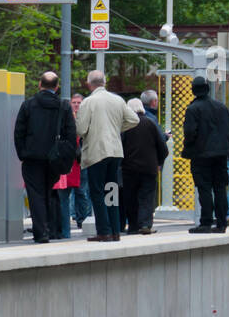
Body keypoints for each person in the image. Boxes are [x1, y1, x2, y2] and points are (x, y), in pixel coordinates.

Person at [75, 70, 138, 242]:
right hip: (115, 151)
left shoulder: (88, 102)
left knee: (96, 191)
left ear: (89, 84)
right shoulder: (118, 100)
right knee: (111, 190)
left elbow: (80, 129)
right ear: (105, 82)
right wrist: (116, 128)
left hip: (97, 152)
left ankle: (104, 231)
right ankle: (116, 230)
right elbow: (134, 120)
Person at [15, 71, 75, 244]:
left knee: (36, 194)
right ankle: (50, 229)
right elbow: (71, 135)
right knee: (49, 192)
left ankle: (41, 231)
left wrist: (22, 153)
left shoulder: (28, 105)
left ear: (40, 85)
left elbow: (19, 132)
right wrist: (67, 158)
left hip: (32, 157)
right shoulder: (64, 107)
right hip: (54, 158)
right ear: (56, 87)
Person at [181, 75, 229, 233]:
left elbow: (189, 132)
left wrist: (188, 147)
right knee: (220, 188)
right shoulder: (222, 107)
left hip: (201, 154)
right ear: (208, 89)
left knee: (204, 188)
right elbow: (228, 130)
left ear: (193, 90)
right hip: (221, 154)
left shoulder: (192, 109)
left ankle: (206, 222)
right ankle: (222, 223)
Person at [121, 97, 168, 235]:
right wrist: (158, 162)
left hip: (129, 169)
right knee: (147, 196)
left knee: (130, 197)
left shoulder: (125, 126)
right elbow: (163, 148)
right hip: (149, 168)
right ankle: (146, 224)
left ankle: (133, 225)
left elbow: (120, 146)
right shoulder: (151, 123)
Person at [68, 92, 92, 229]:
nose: (76, 105)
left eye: (79, 103)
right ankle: (77, 215)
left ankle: (83, 217)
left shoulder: (86, 118)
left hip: (82, 158)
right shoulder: (68, 117)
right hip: (71, 159)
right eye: (74, 102)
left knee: (81, 190)